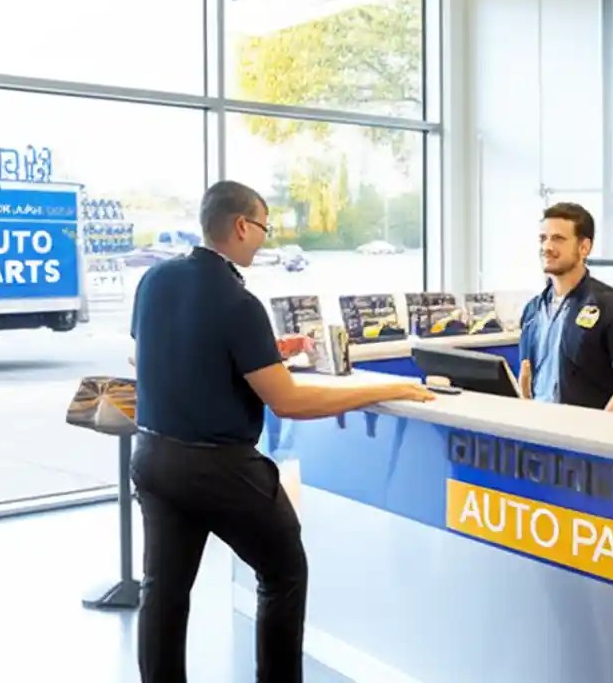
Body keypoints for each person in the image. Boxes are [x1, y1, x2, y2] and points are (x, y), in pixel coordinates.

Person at [127, 180, 435, 683]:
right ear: (242, 225)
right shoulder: (238, 302)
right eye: (264, 228)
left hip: (154, 458)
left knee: (163, 589)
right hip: (221, 468)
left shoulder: (156, 280)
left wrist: (265, 354)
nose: (264, 240)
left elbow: (146, 357)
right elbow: (288, 401)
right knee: (282, 572)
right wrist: (387, 392)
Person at [516, 202, 613, 412]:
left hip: (586, 437)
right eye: (543, 238)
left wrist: (595, 433)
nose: (547, 247)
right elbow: (527, 379)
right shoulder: (533, 310)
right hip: (540, 432)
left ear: (584, 247)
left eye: (558, 239)